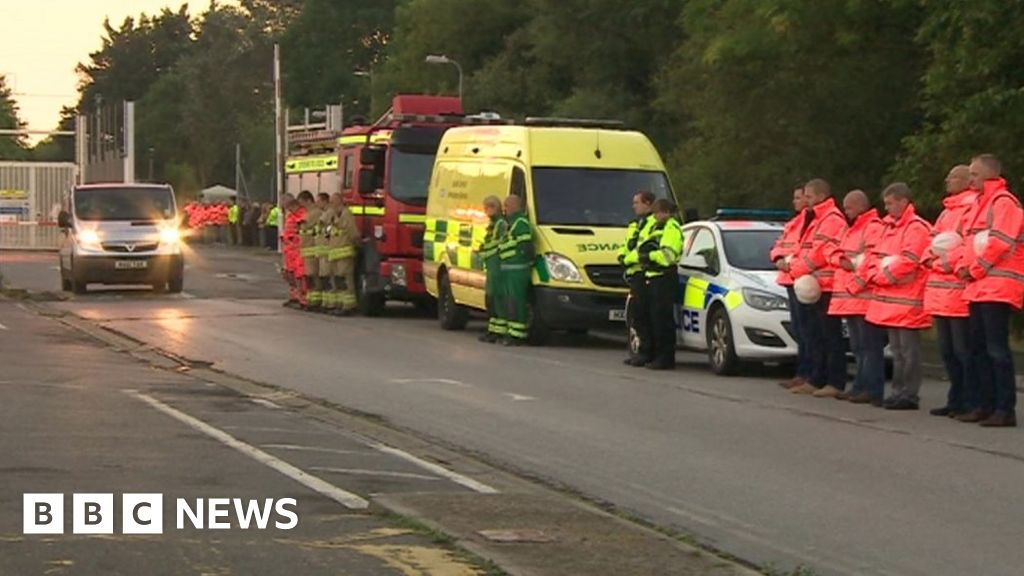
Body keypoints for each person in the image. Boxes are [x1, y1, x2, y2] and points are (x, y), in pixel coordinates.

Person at [956, 154, 1024, 427]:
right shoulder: (979, 204)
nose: (970, 179)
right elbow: (969, 243)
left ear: (989, 176)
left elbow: (1000, 242)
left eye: (974, 174)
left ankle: (1004, 408)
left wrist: (973, 269)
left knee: (996, 349)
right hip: (978, 287)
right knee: (978, 349)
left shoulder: (1004, 202)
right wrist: (963, 266)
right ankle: (983, 404)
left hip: (997, 286)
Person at [862, 183, 932, 410]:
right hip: (889, 302)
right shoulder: (888, 227)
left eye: (890, 203)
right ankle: (897, 391)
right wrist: (874, 274)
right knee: (897, 351)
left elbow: (911, 259)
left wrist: (884, 276)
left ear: (903, 201)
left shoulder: (916, 227)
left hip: (907, 301)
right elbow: (874, 254)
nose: (887, 208)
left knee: (909, 351)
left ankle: (909, 394)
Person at [923, 165, 977, 418]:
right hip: (939, 295)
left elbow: (969, 244)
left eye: (953, 177)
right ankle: (955, 399)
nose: (947, 179)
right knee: (948, 352)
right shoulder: (946, 213)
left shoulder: (970, 208)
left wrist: (945, 263)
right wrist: (929, 259)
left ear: (967, 181)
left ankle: (970, 399)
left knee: (963, 351)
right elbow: (931, 242)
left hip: (958, 294)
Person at [788, 179, 849, 395]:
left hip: (826, 284)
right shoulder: (817, 219)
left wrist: (796, 269)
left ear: (822, 196)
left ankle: (835, 381)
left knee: (830, 336)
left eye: (810, 196)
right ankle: (816, 378)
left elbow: (820, 252)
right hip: (814, 284)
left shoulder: (831, 219)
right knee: (815, 335)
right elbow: (805, 249)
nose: (807, 201)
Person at [827, 189, 883, 401]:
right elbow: (832, 250)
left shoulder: (872, 227)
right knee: (858, 346)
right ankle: (860, 385)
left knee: (869, 346)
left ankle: (872, 388)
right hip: (848, 297)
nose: (846, 211)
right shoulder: (850, 229)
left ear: (861, 205)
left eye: (849, 207)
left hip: (863, 297)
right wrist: (839, 260)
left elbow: (871, 257)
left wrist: (857, 282)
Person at [772, 186, 812, 388]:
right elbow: (779, 244)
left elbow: (800, 250)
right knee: (799, 328)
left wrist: (790, 264)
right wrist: (778, 257)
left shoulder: (808, 221)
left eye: (799, 197)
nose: (794, 201)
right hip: (789, 277)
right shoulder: (794, 223)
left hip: (801, 278)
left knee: (806, 330)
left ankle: (807, 373)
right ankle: (802, 373)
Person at [637, 199, 684, 370]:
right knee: (654, 319)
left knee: (663, 320)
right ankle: (657, 356)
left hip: (664, 277)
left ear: (665, 212)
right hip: (655, 277)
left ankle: (665, 358)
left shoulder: (671, 228)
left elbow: (668, 256)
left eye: (657, 213)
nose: (655, 217)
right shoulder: (660, 227)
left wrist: (649, 257)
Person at [619, 190, 657, 366]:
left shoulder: (653, 223)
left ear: (648, 204)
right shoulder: (636, 223)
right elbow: (628, 244)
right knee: (636, 315)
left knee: (643, 315)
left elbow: (644, 249)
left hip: (644, 273)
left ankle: (646, 352)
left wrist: (628, 259)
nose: (634, 206)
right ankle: (640, 351)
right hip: (634, 274)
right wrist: (621, 256)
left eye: (637, 202)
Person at [498, 194, 533, 346]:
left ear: (513, 206)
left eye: (506, 206)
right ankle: (511, 332)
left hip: (518, 270)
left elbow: (525, 247)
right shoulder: (511, 223)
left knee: (517, 302)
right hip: (509, 269)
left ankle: (518, 334)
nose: (504, 209)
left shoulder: (520, 223)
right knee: (510, 302)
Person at [478, 196, 509, 343]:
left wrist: (483, 251)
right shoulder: (493, 223)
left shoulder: (500, 223)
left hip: (497, 266)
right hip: (492, 266)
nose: (485, 211)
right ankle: (493, 330)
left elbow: (498, 243)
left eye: (487, 208)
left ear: (493, 207)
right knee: (491, 300)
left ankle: (499, 332)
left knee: (497, 299)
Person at [325, 193, 360, 316]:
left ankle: (349, 306)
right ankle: (341, 304)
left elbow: (353, 232)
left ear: (340, 201)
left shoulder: (346, 214)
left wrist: (357, 244)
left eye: (333, 202)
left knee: (346, 280)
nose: (331, 204)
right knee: (339, 281)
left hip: (344, 252)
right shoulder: (334, 216)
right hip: (335, 253)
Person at [297, 191, 323, 310]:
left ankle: (316, 301)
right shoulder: (309, 213)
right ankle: (312, 299)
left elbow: (307, 227)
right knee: (309, 276)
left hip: (313, 248)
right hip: (307, 249)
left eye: (302, 203)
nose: (302, 206)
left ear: (308, 200)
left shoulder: (315, 213)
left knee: (314, 275)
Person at [281, 196, 306, 308]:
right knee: (289, 275)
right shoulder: (291, 216)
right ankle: (294, 296)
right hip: (289, 250)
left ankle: (302, 298)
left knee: (299, 276)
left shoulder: (302, 215)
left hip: (297, 250)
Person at [316, 197, 337, 313]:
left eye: (319, 201)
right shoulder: (326, 213)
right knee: (325, 277)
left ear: (325, 201)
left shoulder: (329, 213)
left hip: (327, 250)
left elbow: (327, 230)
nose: (317, 203)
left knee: (329, 278)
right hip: (323, 251)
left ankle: (331, 303)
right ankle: (327, 302)